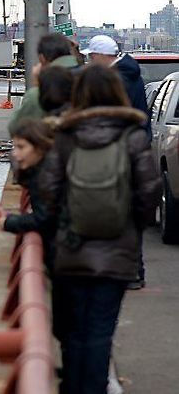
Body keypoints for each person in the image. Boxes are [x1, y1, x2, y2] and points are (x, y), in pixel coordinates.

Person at [37, 64, 159, 394]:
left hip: (72, 247)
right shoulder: (133, 137)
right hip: (117, 250)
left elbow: (47, 190)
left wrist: (65, 220)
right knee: (100, 330)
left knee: (74, 330)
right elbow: (150, 190)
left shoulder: (65, 137)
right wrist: (131, 224)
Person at [82, 34, 151, 289]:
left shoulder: (115, 81)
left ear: (102, 56)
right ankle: (132, 271)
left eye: (91, 57)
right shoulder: (132, 75)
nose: (90, 61)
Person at [0, 118, 57, 271]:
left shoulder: (47, 177)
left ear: (39, 147)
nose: (15, 154)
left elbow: (44, 219)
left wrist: (6, 222)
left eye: (21, 147)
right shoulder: (48, 170)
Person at [7, 32, 78, 135]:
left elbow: (16, 128)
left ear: (42, 58)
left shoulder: (41, 92)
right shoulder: (91, 75)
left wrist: (37, 85)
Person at [82, 35, 150, 134]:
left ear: (100, 55)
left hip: (123, 138)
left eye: (91, 56)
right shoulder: (128, 73)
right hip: (135, 137)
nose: (91, 61)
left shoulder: (115, 78)